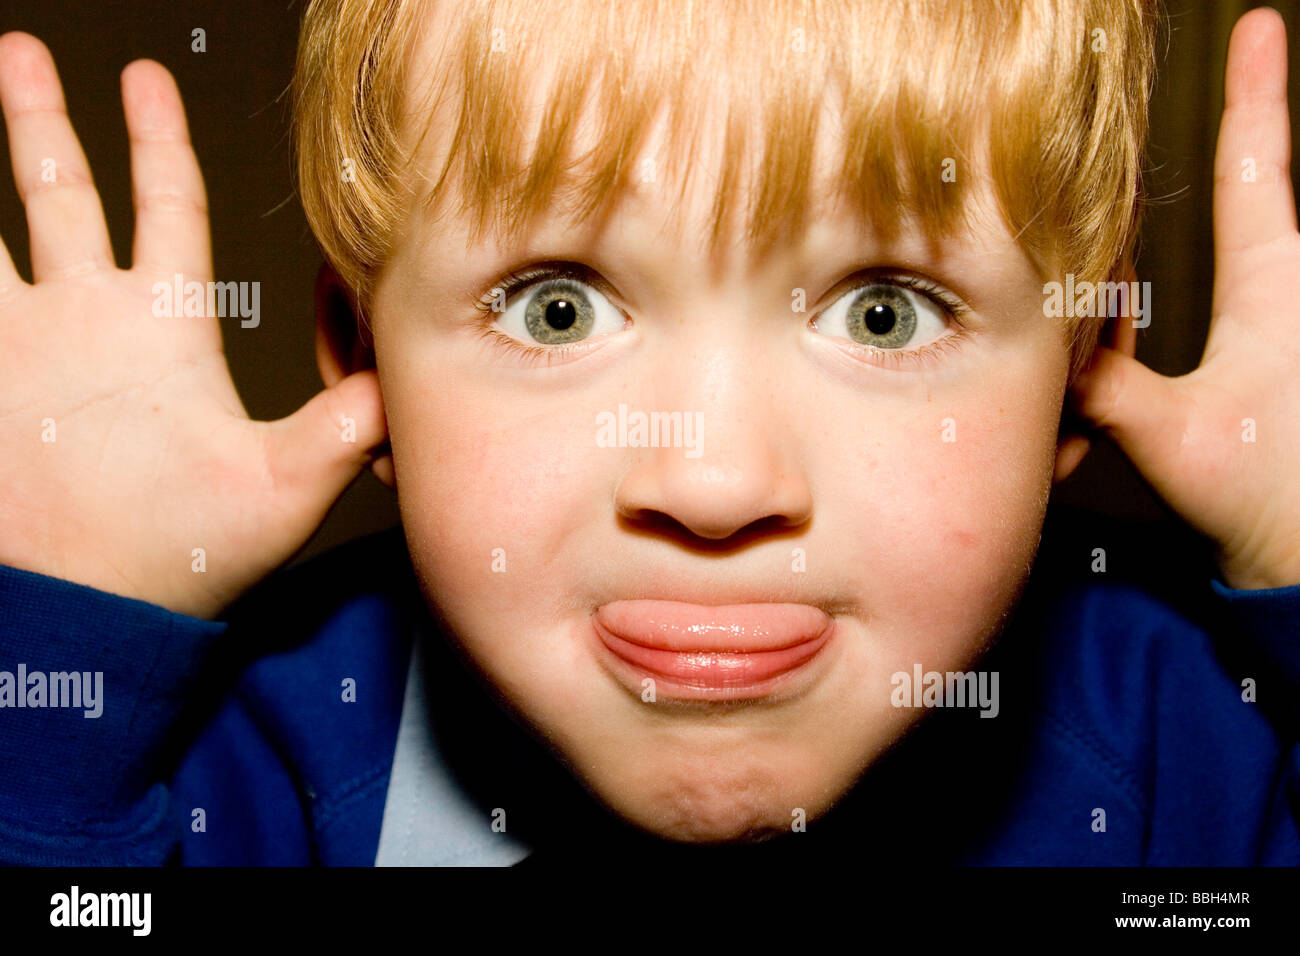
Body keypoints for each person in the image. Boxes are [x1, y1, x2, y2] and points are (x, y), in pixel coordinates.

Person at [0, 0, 1296, 865]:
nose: (717, 481)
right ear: (365, 361)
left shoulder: (1206, 759)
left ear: (1081, 368)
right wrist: (73, 648)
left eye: (887, 313)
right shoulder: (239, 768)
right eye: (557, 310)